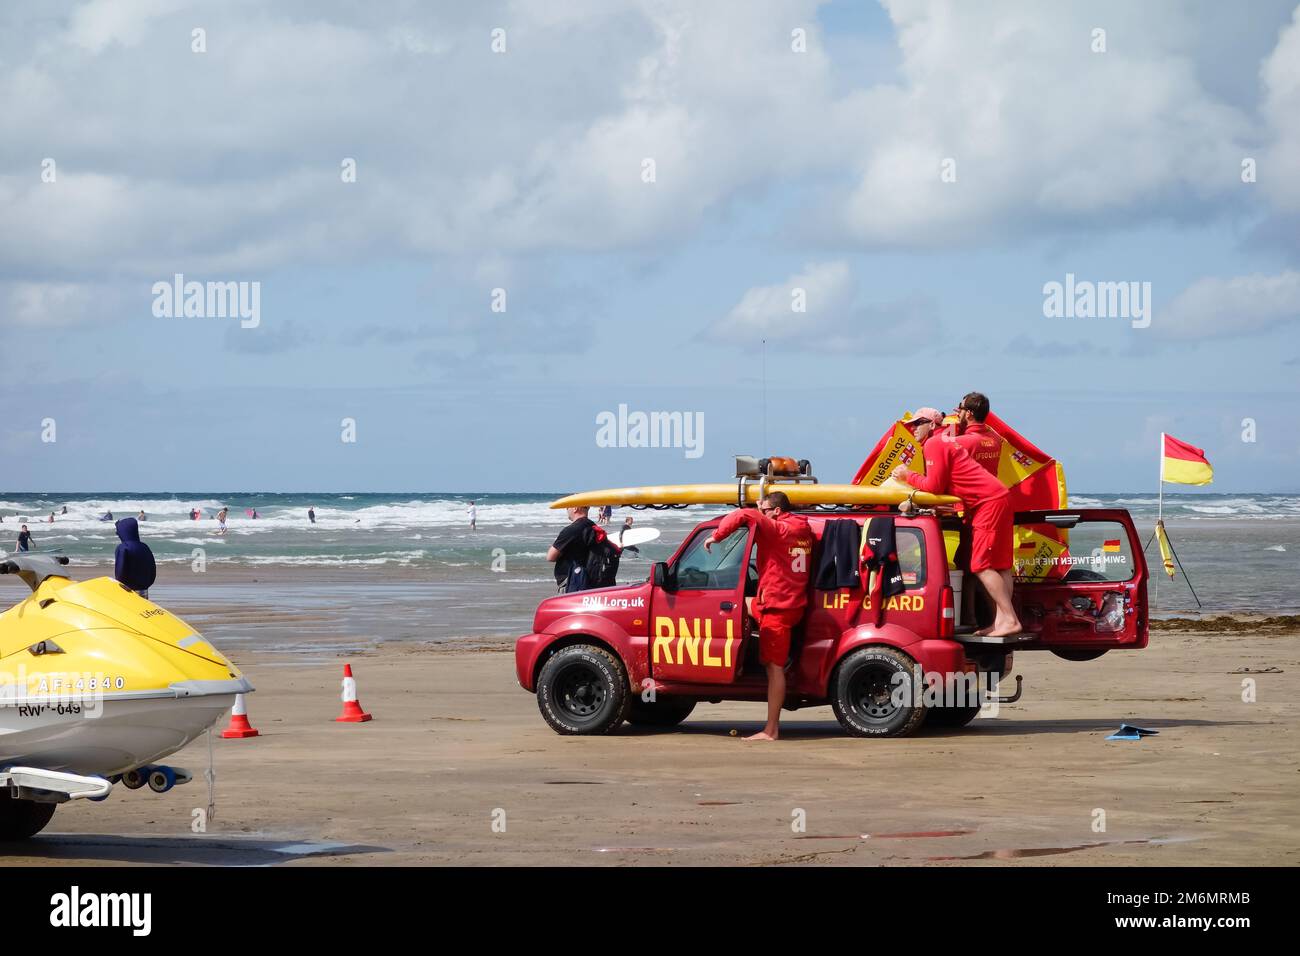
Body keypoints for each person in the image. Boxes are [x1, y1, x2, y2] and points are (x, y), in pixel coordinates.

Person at [891, 407, 1021, 637]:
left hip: (987, 503)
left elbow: (934, 486)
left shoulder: (934, 444)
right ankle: (1002, 621)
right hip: (996, 498)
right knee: (1000, 564)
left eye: (918, 422)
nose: (913, 427)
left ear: (932, 425)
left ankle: (1009, 619)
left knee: (980, 565)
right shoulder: (947, 441)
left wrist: (906, 475)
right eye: (912, 424)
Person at [703, 491, 813, 742]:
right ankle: (740, 660)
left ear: (776, 511)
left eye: (764, 509)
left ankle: (771, 730)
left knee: (774, 668)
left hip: (778, 608)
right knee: (737, 605)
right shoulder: (803, 529)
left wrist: (715, 537)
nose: (761, 514)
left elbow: (744, 514)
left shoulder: (778, 529)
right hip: (791, 603)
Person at [953, 392, 1003, 476]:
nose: (958, 411)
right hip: (990, 488)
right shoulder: (997, 439)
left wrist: (953, 423)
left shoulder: (960, 442)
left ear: (968, 413)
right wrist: (963, 416)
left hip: (967, 489)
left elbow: (942, 446)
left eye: (961, 407)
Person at [547, 506, 596, 592]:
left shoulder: (571, 530)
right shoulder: (594, 527)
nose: (566, 511)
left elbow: (550, 557)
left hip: (571, 581)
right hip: (588, 580)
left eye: (567, 508)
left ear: (575, 508)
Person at [114, 517, 156, 598]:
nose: (118, 534)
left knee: (128, 610)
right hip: (144, 590)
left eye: (118, 532)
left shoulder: (123, 547)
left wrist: (119, 585)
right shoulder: (144, 546)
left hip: (128, 591)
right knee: (142, 609)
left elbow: (120, 572)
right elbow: (152, 569)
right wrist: (146, 584)